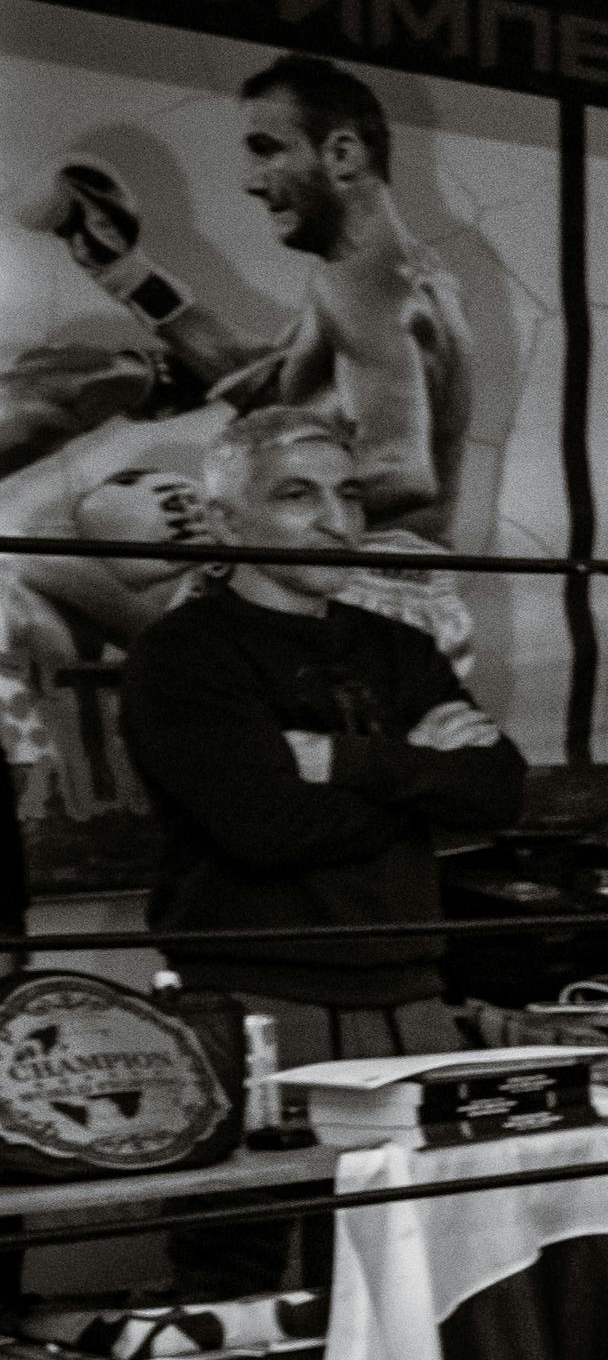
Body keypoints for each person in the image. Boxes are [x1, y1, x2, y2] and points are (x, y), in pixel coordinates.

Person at [123, 407, 523, 1065]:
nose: (336, 522)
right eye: (296, 494)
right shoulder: (182, 654)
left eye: (350, 495)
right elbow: (267, 828)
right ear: (225, 521)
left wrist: (344, 758)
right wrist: (421, 767)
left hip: (419, 995)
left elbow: (496, 791)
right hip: (260, 1002)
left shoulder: (401, 646)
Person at [220, 58, 477, 535]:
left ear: (341, 156)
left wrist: (234, 511)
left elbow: (402, 472)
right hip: (408, 584)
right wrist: (128, 276)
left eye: (267, 150)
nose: (252, 183)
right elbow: (267, 392)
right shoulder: (403, 273)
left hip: (374, 582)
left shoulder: (358, 284)